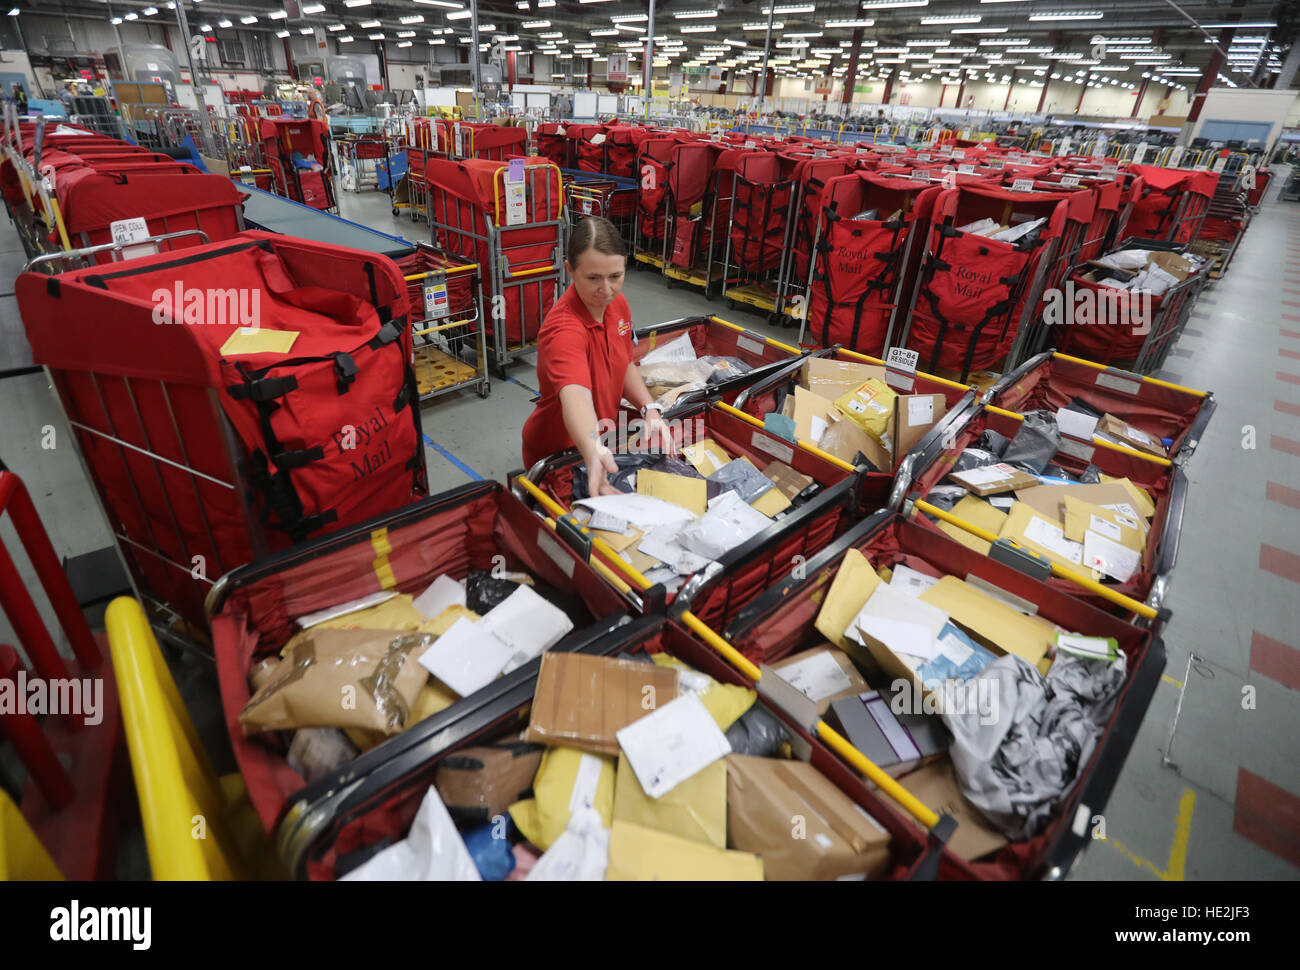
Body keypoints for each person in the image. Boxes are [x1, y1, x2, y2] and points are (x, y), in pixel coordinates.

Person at [521, 216, 674, 497]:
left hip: (598, 442)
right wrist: (593, 452)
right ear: (570, 270)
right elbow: (575, 394)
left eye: (616, 276)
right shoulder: (564, 329)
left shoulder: (618, 304)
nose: (606, 290)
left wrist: (649, 409)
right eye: (593, 278)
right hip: (559, 455)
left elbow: (623, 362)